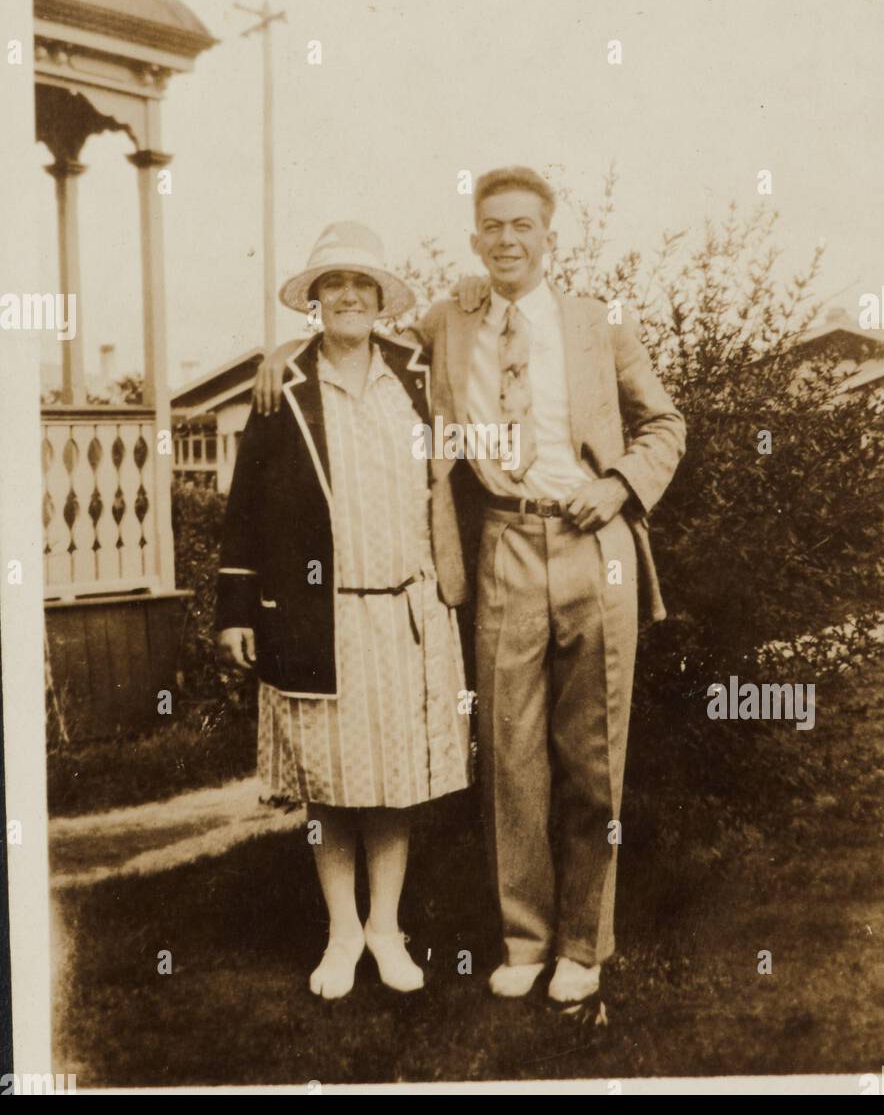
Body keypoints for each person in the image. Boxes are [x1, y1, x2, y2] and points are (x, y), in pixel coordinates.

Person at [255, 170, 685, 1009]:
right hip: (502, 546)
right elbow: (349, 332)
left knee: (594, 760)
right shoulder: (445, 325)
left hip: (596, 544)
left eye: (523, 225)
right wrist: (281, 351)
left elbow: (666, 422)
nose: (507, 241)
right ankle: (525, 941)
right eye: (491, 226)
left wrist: (624, 485)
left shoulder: (598, 324)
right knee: (511, 757)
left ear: (548, 236)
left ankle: (583, 946)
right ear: (475, 237)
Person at [217, 221, 472, 1001]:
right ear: (315, 299)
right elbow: (245, 508)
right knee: (330, 785)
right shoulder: (282, 388)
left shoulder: (418, 374)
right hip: (315, 617)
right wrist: (236, 609)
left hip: (406, 612)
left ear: (381, 297)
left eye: (363, 284)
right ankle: (340, 933)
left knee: (395, 782)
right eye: (335, 284)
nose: (350, 296)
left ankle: (386, 929)